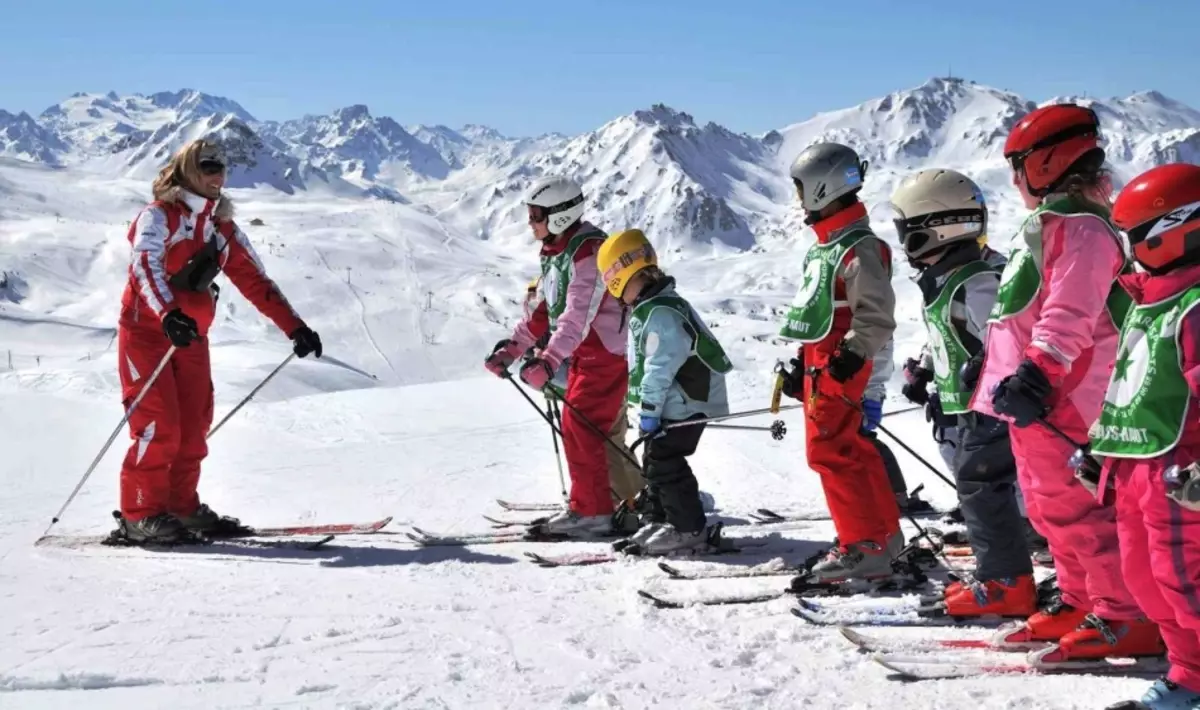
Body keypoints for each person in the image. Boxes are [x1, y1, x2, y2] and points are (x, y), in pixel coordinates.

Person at [972, 103, 1162, 659]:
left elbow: (1070, 311)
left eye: (1019, 164)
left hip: (1070, 395)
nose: (1013, 179)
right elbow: (1021, 313)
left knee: (1085, 508)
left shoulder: (1082, 226)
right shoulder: (1058, 220)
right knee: (1052, 506)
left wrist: (1037, 371)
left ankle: (1126, 616)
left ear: (1050, 160)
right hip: (1039, 397)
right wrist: (991, 365)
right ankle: (1083, 599)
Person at [114, 139, 322, 544]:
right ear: (187, 170)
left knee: (194, 426)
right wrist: (168, 313)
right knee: (158, 426)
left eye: (222, 167)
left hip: (190, 337)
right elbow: (145, 268)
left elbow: (253, 279)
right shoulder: (158, 217)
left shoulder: (219, 226)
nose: (217, 174)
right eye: (208, 165)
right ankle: (141, 514)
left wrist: (294, 327)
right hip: (148, 334)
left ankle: (180, 508)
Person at [889, 168, 1035, 618]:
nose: (904, 243)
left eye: (907, 231)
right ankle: (1007, 561)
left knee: (982, 482)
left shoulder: (978, 281)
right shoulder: (951, 277)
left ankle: (1006, 579)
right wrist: (927, 368)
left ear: (935, 230)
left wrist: (988, 368)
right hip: (974, 405)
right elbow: (947, 333)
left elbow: (1007, 338)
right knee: (980, 482)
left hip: (994, 406)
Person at [1088, 164, 1200, 709]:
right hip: (1137, 467)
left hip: (1182, 473)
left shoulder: (1195, 304)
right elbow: (1129, 385)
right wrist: (1102, 450)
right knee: (1146, 579)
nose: (1129, 251)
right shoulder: (1148, 298)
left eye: (1134, 238)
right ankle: (1190, 676)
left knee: (1187, 582)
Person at [776, 142, 904, 584]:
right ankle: (883, 539)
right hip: (824, 365)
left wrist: (847, 359)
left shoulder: (857, 247)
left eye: (800, 189)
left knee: (830, 452)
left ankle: (862, 546)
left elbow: (874, 314)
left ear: (819, 188)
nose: (797, 198)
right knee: (854, 450)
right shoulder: (831, 245)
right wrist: (801, 362)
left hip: (838, 368)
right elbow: (821, 311)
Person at [484, 176, 627, 538]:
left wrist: (548, 361)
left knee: (582, 428)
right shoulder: (559, 251)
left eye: (536, 215)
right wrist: (513, 348)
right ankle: (596, 506)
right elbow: (548, 309)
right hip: (584, 355)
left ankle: (595, 512)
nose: (530, 223)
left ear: (560, 215)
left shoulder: (587, 253)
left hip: (604, 354)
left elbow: (577, 316)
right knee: (579, 428)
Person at [596, 228, 732, 555]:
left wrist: (649, 413)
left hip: (685, 404)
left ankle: (688, 529)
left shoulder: (661, 314)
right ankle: (660, 519)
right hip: (677, 404)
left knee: (665, 461)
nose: (615, 297)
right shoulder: (656, 307)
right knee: (654, 459)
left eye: (612, 286)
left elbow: (659, 370)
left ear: (621, 279)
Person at [519, 277, 645, 505]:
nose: (532, 300)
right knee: (613, 441)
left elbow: (577, 369)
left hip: (601, 388)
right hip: (613, 382)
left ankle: (623, 501)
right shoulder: (564, 323)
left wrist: (544, 368)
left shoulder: (570, 324)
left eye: (534, 295)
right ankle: (639, 492)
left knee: (603, 443)